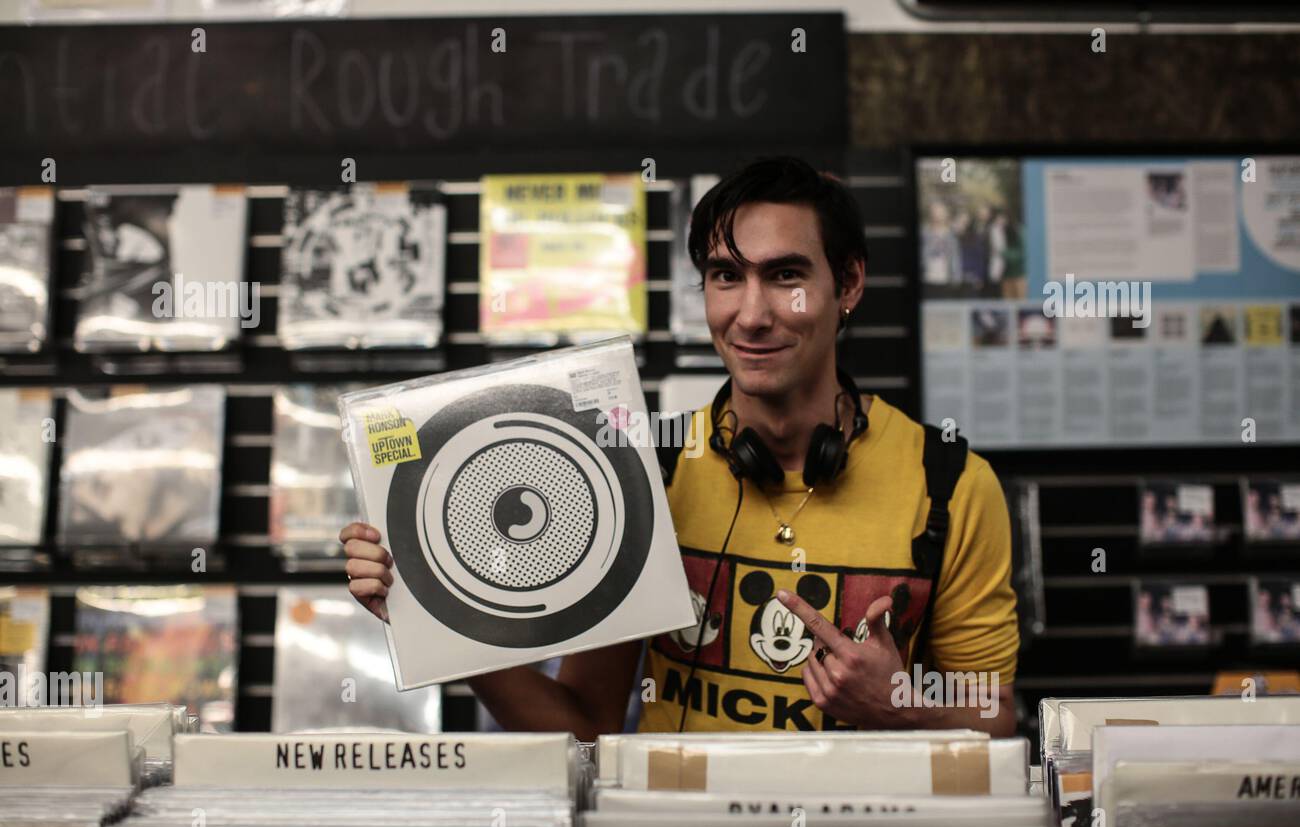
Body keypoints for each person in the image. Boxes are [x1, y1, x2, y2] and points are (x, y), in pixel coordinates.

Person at [341, 156, 1019, 738]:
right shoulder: (645, 471)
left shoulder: (951, 483)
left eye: (786, 277)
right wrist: (432, 614)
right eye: (726, 276)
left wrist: (899, 708)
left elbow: (996, 720)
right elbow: (588, 726)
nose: (751, 314)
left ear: (847, 285)